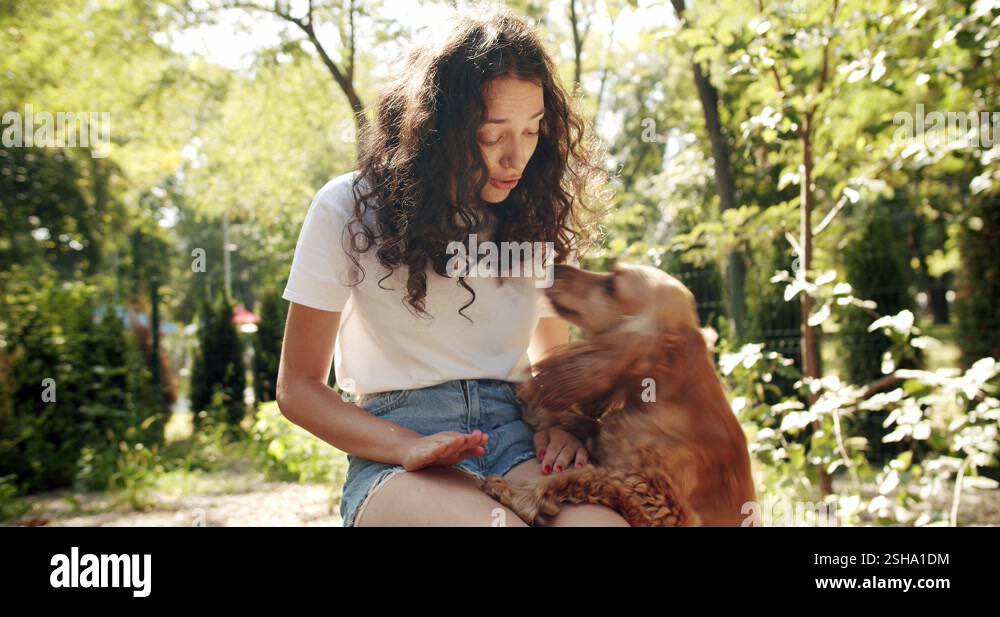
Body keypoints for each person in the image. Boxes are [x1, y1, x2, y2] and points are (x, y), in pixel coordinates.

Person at [275, 4, 626, 526]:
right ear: (438, 130)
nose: (516, 158)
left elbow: (550, 361)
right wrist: (405, 447)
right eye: (491, 135)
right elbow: (298, 388)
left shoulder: (537, 212)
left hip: (516, 437)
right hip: (400, 449)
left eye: (532, 131)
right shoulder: (347, 208)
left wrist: (560, 424)